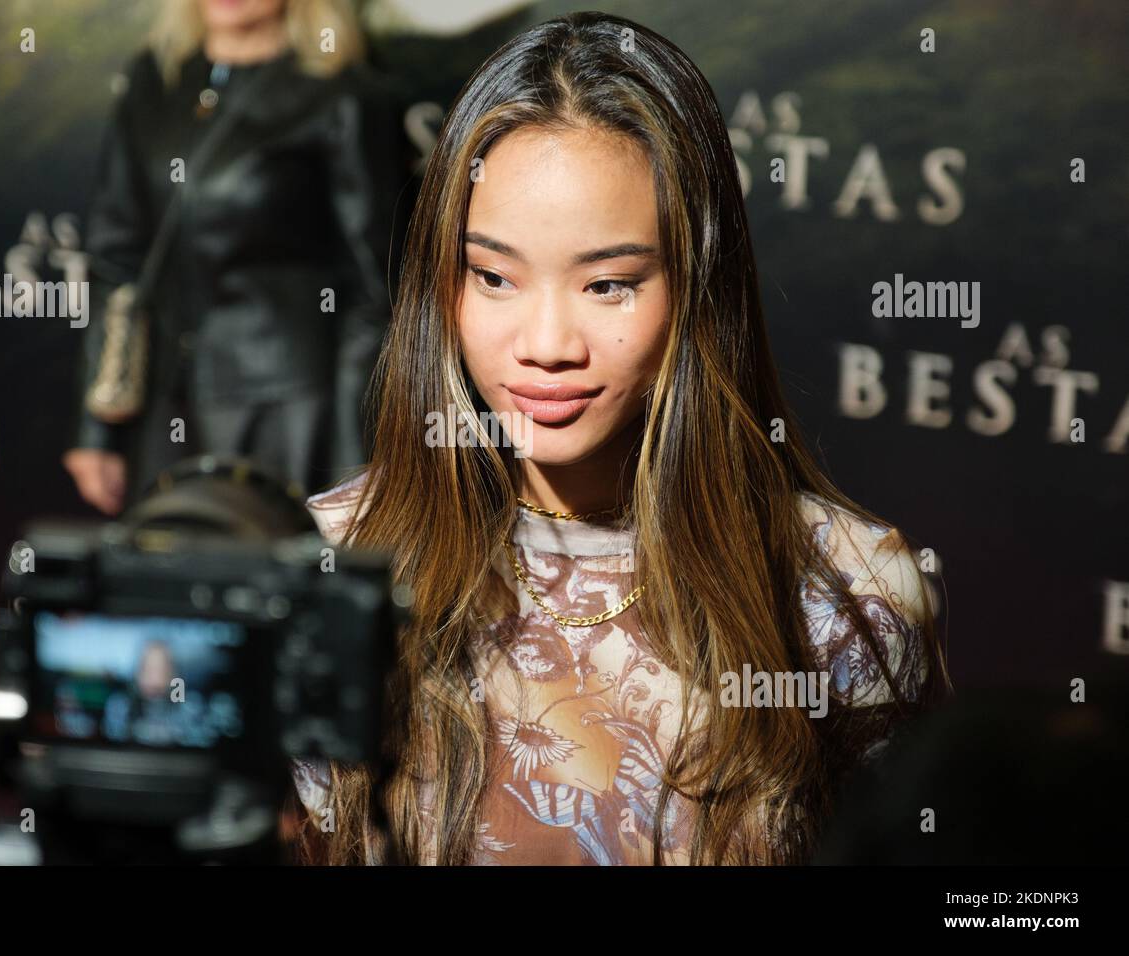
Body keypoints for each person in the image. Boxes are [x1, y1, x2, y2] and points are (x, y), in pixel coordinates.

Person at [284, 12, 950, 866]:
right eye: (492, 277)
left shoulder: (844, 595)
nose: (547, 343)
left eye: (608, 284)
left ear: (696, 289)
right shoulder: (340, 562)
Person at [64, 0, 407, 513]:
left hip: (288, 415)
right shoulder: (154, 80)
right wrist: (98, 428)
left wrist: (354, 461)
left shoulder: (345, 95)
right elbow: (116, 258)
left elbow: (376, 294)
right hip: (163, 409)